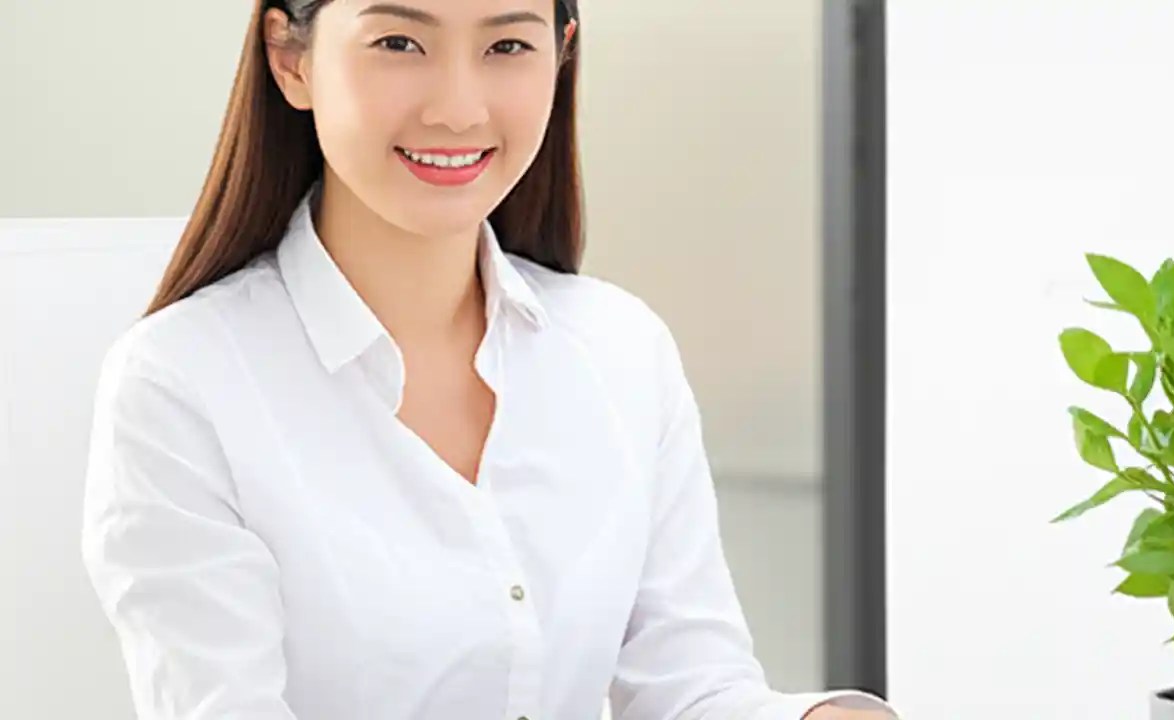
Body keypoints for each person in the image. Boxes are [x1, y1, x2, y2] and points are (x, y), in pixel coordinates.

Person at [79, 1, 897, 718]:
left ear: (561, 53)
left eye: (507, 46)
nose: (459, 109)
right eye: (400, 43)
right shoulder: (183, 383)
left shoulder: (621, 350)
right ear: (291, 59)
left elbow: (689, 690)